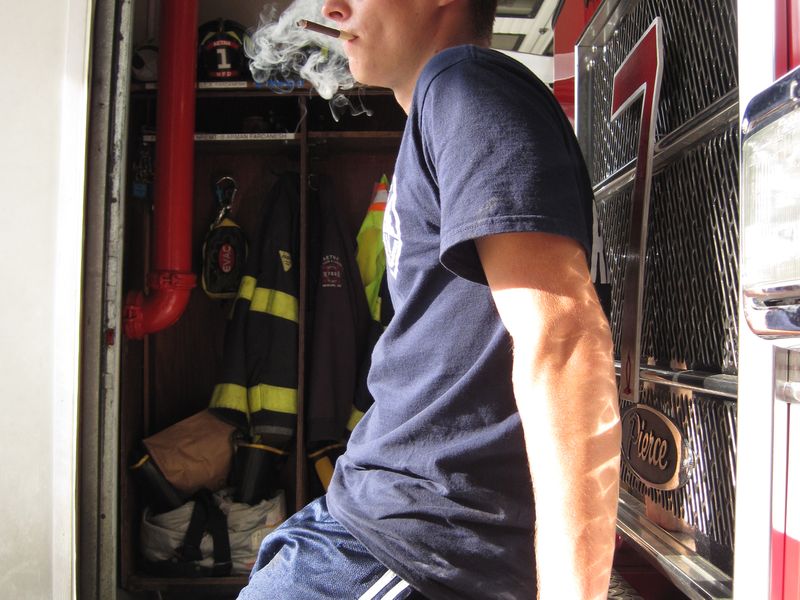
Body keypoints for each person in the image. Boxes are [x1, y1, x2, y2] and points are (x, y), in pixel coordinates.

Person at [238, 0, 621, 598]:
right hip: (374, 527)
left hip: (417, 544)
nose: (333, 7)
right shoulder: (443, 106)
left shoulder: (465, 84)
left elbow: (566, 339)